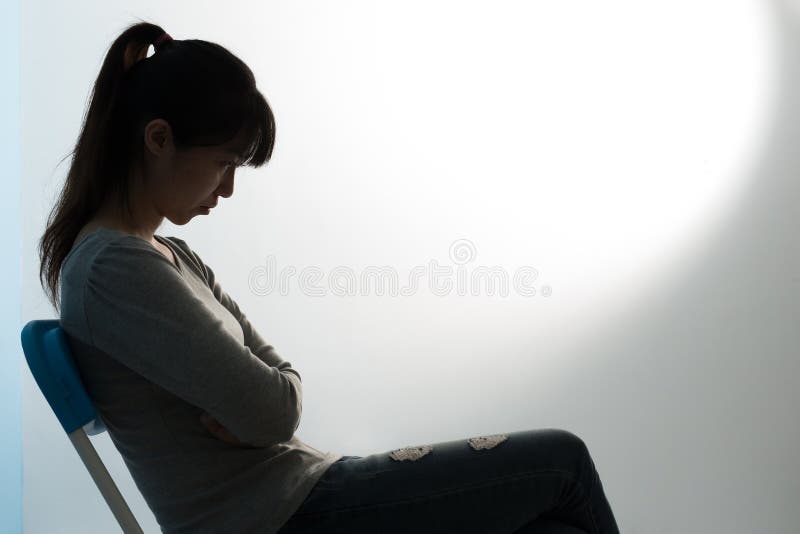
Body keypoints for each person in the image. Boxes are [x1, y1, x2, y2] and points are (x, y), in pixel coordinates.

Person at [38, 20, 620, 534]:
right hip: (281, 516)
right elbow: (273, 411)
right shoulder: (111, 271)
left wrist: (264, 406)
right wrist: (262, 408)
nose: (228, 188)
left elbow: (279, 389)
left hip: (305, 494)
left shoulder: (172, 255)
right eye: (222, 163)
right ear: (159, 138)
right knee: (561, 463)